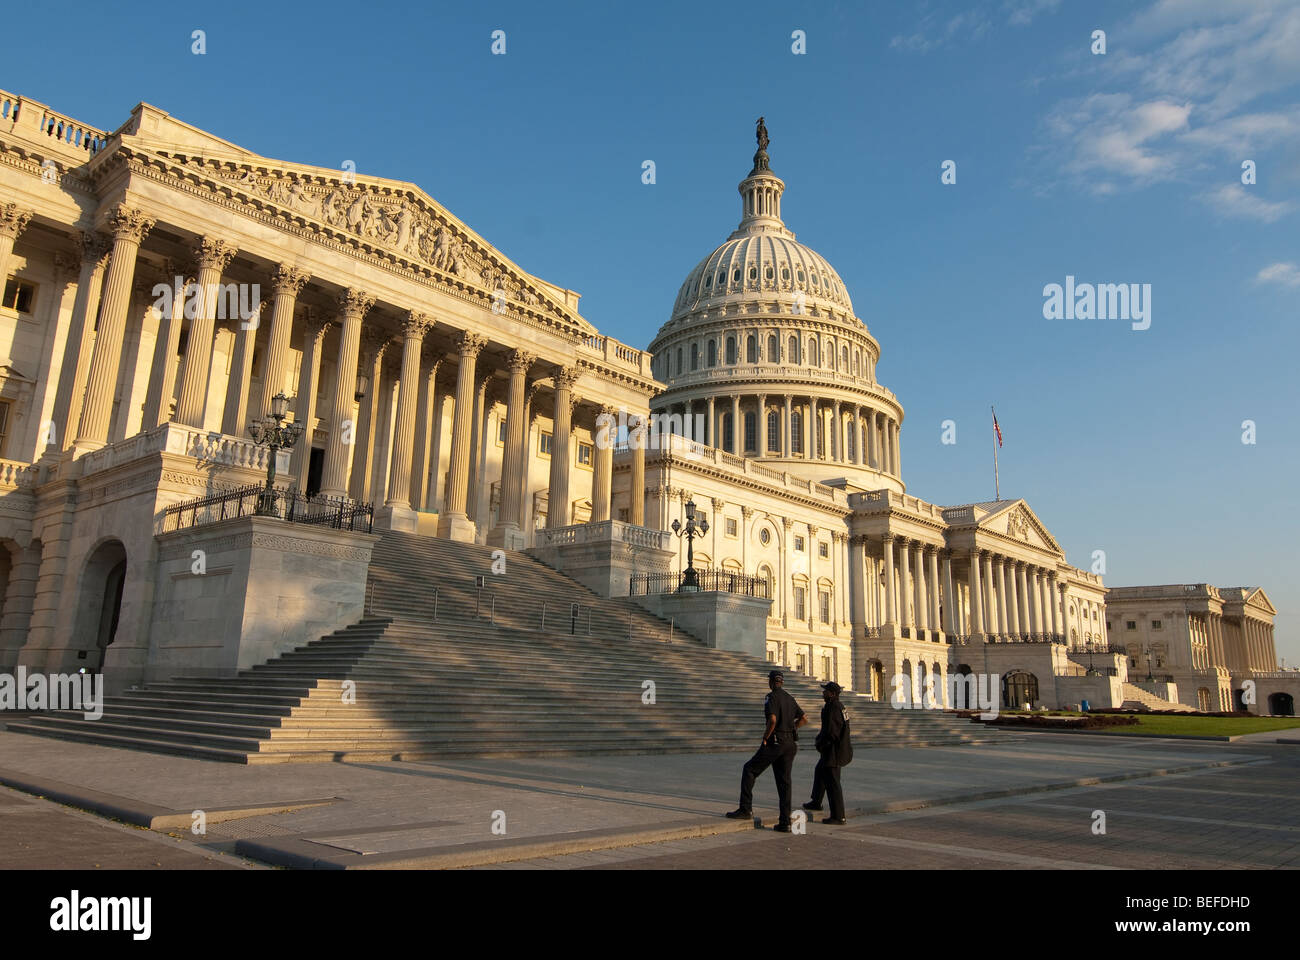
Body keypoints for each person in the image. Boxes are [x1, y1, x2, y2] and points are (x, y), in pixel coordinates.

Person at [726, 670, 807, 831]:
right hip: (790, 744)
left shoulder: (771, 697)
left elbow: (773, 719)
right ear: (782, 682)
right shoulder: (790, 698)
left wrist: (766, 736)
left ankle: (745, 809)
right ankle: (785, 822)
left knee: (749, 770)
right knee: (784, 782)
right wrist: (792, 729)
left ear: (771, 682)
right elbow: (804, 718)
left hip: (775, 742)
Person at [803, 681, 852, 824]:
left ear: (832, 694)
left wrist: (821, 743)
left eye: (825, 691)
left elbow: (832, 732)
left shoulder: (834, 708)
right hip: (833, 749)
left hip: (833, 751)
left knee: (833, 783)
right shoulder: (837, 706)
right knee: (820, 771)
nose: (823, 693)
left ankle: (838, 816)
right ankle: (816, 801)